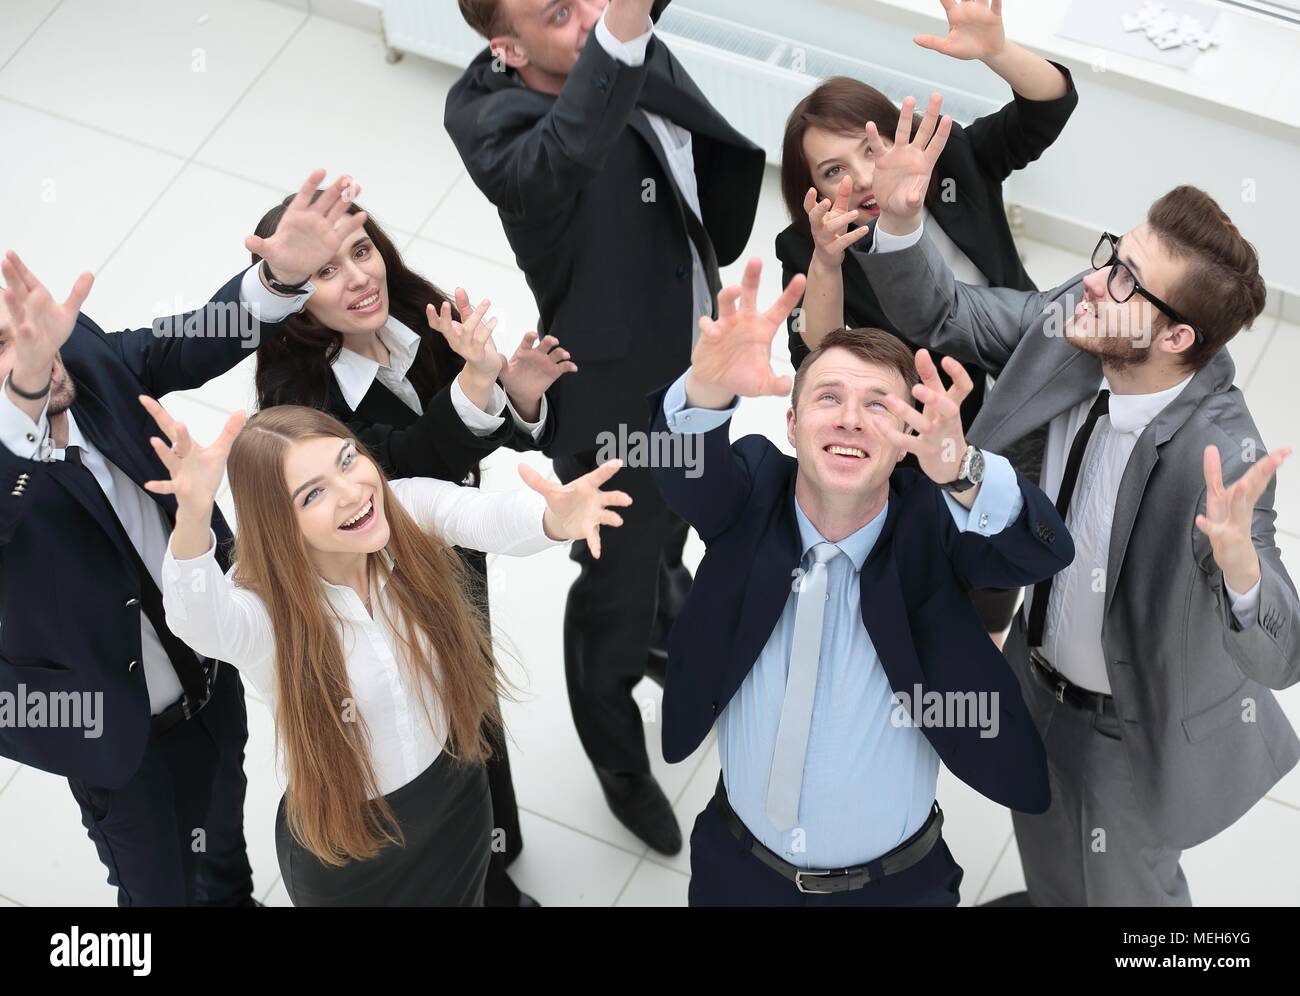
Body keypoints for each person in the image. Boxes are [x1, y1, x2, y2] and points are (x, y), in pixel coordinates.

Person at [853, 90, 1300, 905]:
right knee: (1053, 864)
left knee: (1132, 896)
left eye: (1126, 281)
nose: (1095, 282)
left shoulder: (1221, 453)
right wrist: (902, 220)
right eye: (1112, 256)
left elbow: (1283, 652)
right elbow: (945, 310)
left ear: (1175, 339)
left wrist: (1239, 569)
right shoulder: (1078, 323)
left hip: (1132, 726)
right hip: (1035, 676)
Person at [647, 260, 1074, 906]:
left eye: (878, 406)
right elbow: (682, 473)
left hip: (894, 886)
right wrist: (704, 392)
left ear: (907, 441)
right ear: (791, 427)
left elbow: (1038, 551)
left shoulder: (936, 524)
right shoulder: (753, 491)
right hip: (736, 870)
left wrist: (963, 470)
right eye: (827, 399)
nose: (849, 419)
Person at [445, 0, 766, 853]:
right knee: (612, 594)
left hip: (691, 347)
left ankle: (672, 622)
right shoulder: (491, 119)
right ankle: (619, 757)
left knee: (676, 528)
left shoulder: (594, 22)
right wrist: (616, 32)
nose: (589, 15)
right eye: (560, 12)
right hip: (619, 402)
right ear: (506, 47)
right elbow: (564, 151)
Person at [0, 168, 362, 905]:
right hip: (111, 737)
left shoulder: (77, 356)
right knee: (158, 893)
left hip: (208, 671)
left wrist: (278, 279)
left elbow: (180, 346)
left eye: (27, 327)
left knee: (222, 834)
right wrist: (24, 400)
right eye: (7, 348)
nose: (39, 352)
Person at [153, 401, 630, 906]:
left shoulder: (400, 508)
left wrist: (552, 517)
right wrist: (193, 517)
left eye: (346, 460)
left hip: (457, 800)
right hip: (347, 845)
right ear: (278, 523)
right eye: (313, 494)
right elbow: (197, 621)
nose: (353, 492)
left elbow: (477, 515)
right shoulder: (263, 606)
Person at [250, 191, 576, 905]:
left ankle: (496, 861)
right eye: (327, 270)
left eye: (362, 252)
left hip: (460, 552)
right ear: (293, 295)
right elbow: (394, 471)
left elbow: (496, 435)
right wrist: (474, 387)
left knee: (473, 704)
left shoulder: (418, 322)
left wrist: (515, 394)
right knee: (425, 723)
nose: (360, 277)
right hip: (379, 594)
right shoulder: (293, 398)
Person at [776, 0, 1077, 641]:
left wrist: (997, 49)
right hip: (931, 440)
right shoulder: (812, 246)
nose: (860, 177)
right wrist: (825, 260)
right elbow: (818, 347)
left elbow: (1048, 108)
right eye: (834, 171)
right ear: (811, 191)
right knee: (944, 581)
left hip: (1027, 373)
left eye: (868, 148)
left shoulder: (954, 166)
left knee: (1018, 552)